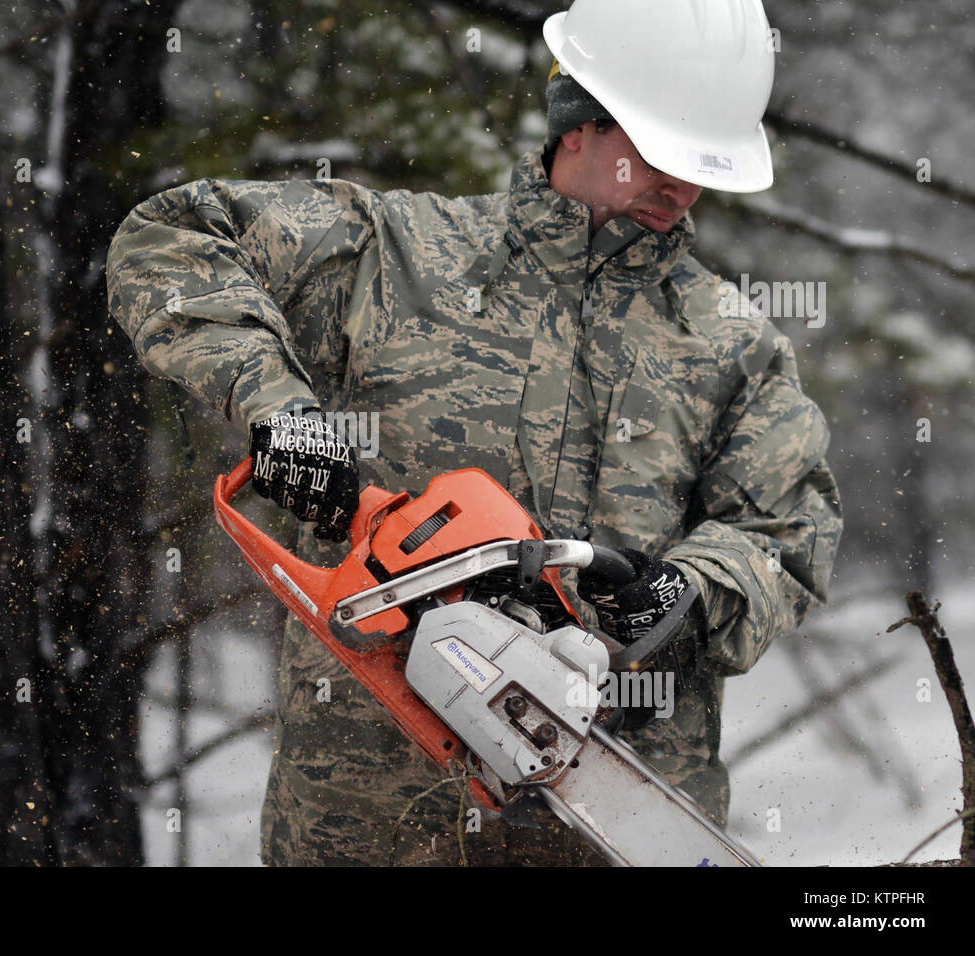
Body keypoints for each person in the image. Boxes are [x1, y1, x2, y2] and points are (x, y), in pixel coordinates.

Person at [106, 0, 842, 865]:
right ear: (580, 120)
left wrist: (695, 590)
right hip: (369, 820)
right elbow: (173, 240)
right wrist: (282, 414)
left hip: (613, 819)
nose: (681, 190)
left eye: (701, 167)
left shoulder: (732, 343)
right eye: (663, 156)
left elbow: (788, 533)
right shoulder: (400, 253)